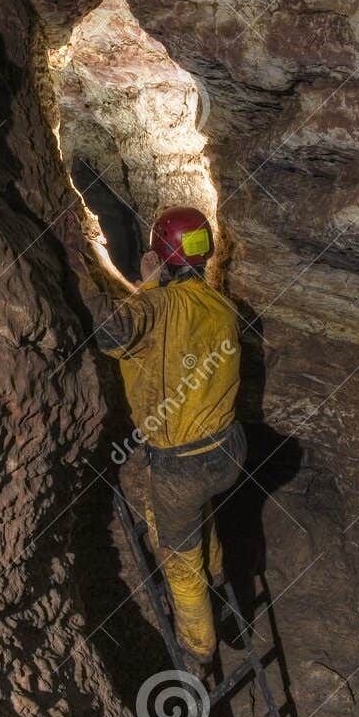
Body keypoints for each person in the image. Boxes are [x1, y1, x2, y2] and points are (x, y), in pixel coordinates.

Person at [70, 203, 244, 674]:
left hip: (181, 467)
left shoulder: (156, 307)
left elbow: (111, 331)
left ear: (161, 254)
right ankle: (221, 587)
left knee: (179, 558)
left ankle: (199, 650)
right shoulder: (222, 307)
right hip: (228, 451)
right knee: (202, 513)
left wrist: (141, 283)